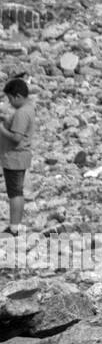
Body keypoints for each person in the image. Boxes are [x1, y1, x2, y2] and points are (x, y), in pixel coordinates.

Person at [0, 78, 36, 235]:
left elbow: (16, 138)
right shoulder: (29, 108)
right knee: (17, 191)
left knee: (14, 193)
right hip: (20, 158)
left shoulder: (21, 113)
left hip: (14, 158)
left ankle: (14, 227)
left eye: (10, 99)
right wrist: (7, 121)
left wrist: (1, 128)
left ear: (18, 96)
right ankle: (16, 225)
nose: (9, 103)